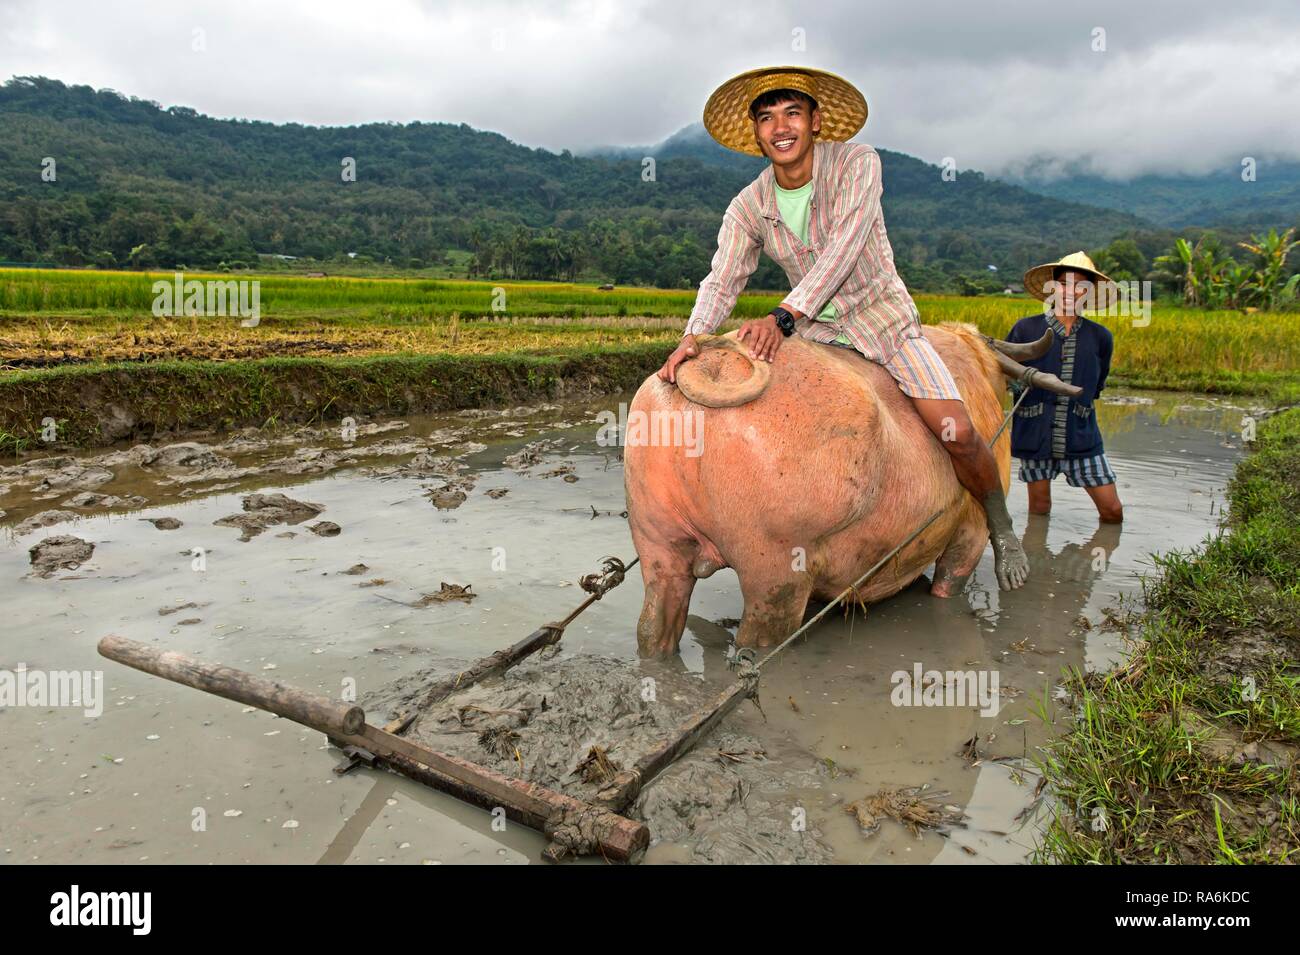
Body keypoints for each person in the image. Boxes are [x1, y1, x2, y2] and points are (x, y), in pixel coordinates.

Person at [655, 65, 1029, 590]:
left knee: (960, 432)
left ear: (815, 121)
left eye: (792, 113)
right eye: (767, 118)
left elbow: (846, 246)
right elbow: (724, 276)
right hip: (817, 339)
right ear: (757, 132)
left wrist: (785, 315)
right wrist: (692, 336)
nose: (780, 127)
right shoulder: (749, 205)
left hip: (882, 323)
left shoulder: (857, 163)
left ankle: (1001, 525)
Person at [1006, 251, 1123, 523]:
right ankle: (1038, 557)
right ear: (1052, 287)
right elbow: (1006, 376)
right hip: (1036, 433)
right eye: (1064, 283)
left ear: (1089, 292)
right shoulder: (1024, 330)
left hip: (1081, 436)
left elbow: (1097, 385)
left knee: (1112, 510)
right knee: (1039, 507)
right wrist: (1028, 378)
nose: (1071, 291)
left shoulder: (1100, 337)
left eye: (1080, 284)